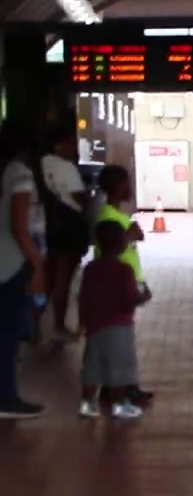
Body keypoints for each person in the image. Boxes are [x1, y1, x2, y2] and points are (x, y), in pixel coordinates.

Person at [78, 220, 149, 419]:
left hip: (95, 327)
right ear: (122, 243)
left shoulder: (91, 269)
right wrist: (144, 296)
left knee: (92, 368)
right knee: (119, 370)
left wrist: (83, 321)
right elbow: (130, 298)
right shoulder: (124, 270)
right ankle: (120, 406)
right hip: (119, 327)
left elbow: (83, 297)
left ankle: (86, 404)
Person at [94, 165, 152, 405]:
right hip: (114, 285)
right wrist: (130, 235)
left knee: (122, 339)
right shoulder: (108, 216)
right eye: (126, 183)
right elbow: (112, 248)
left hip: (124, 281)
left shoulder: (117, 214)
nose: (130, 188)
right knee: (118, 340)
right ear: (117, 188)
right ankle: (119, 388)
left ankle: (120, 386)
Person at [0, 125, 46, 418]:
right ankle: (6, 398)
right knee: (9, 332)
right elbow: (20, 227)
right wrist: (37, 263)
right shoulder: (20, 174)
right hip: (13, 261)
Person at [36, 127, 91, 342]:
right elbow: (79, 197)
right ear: (57, 145)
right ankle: (58, 325)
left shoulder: (41, 164)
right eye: (69, 143)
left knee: (48, 278)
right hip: (69, 225)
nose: (73, 148)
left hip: (48, 224)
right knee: (63, 278)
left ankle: (34, 325)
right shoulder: (66, 167)